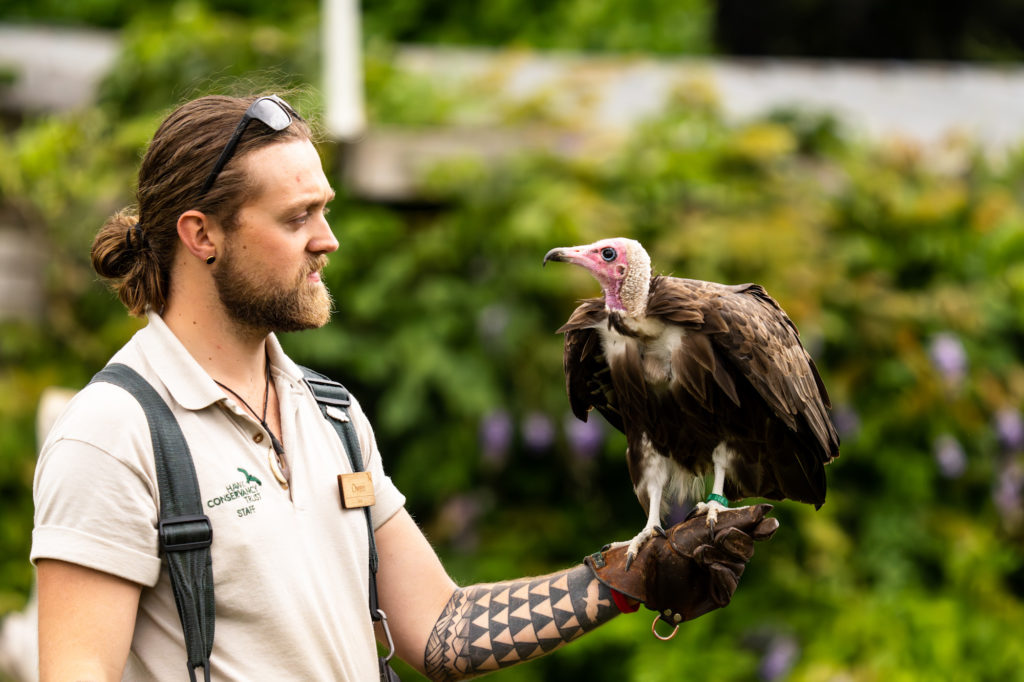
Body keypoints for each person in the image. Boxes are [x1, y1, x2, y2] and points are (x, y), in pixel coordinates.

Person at [31, 93, 778, 681]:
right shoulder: (115, 433)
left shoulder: (331, 414)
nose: (329, 239)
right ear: (202, 235)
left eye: (325, 210)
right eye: (299, 218)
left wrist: (631, 580)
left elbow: (439, 629)